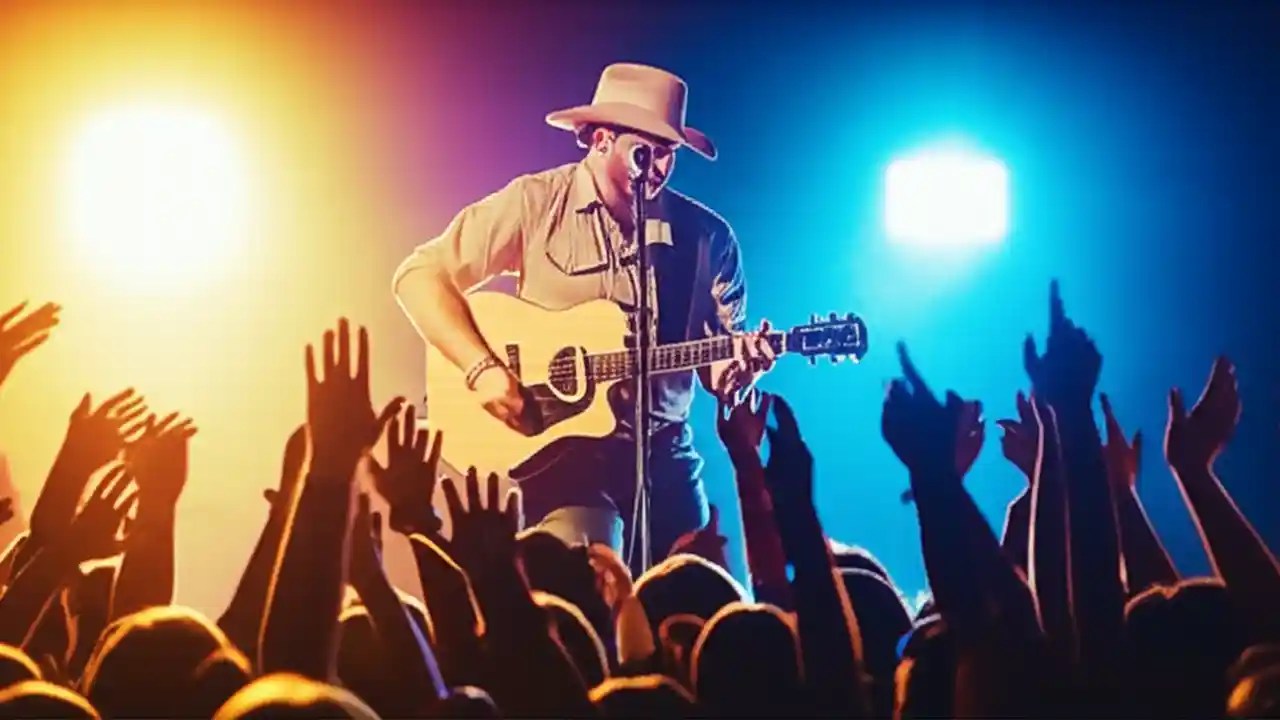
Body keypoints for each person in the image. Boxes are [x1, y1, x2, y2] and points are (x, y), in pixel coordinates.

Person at [392, 62, 774, 568]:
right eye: (646, 150)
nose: (660, 166)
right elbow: (418, 276)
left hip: (665, 452)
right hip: (564, 457)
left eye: (670, 152)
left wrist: (737, 371)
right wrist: (482, 368)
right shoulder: (534, 203)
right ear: (599, 139)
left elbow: (717, 366)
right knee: (586, 577)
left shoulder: (708, 237)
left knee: (702, 590)